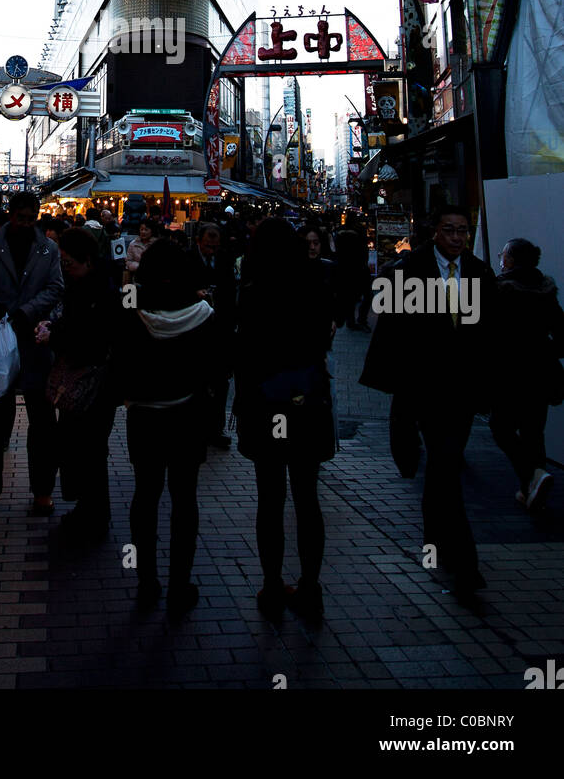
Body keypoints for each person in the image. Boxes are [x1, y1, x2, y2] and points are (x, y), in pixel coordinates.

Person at [360, 206, 497, 600]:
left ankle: (435, 539)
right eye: (449, 230)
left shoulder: (479, 272)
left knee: (443, 466)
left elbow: (490, 333)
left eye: (463, 231)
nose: (456, 238)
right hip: (424, 390)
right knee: (445, 465)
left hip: (462, 392)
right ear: (434, 232)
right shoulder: (409, 271)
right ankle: (464, 562)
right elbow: (392, 336)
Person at [233, 218, 336, 623]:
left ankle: (272, 583)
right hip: (307, 403)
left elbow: (244, 353)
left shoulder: (254, 290)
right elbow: (321, 342)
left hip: (265, 406)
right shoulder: (314, 285)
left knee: (270, 498)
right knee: (307, 497)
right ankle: (310, 584)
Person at [114, 240, 216, 620]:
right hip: (188, 416)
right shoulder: (204, 312)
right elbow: (217, 366)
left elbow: (117, 350)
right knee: (184, 500)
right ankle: (179, 584)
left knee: (145, 495)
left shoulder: (129, 304)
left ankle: (146, 581)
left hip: (144, 415)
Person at [0, 191, 62, 518]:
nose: (25, 223)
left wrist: (28, 312)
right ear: (10, 215)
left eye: (31, 218)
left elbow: (55, 287)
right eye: (20, 217)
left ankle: (43, 491)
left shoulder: (48, 249)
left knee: (43, 421)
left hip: (35, 342)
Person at [39, 228, 119, 544]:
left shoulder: (102, 291)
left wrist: (55, 335)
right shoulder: (83, 284)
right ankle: (89, 511)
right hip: (86, 387)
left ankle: (93, 516)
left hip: (93, 387)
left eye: (69, 262)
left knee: (89, 451)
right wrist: (55, 327)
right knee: (86, 452)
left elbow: (92, 340)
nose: (65, 268)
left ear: (87, 260)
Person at [490, 238, 564, 510]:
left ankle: (531, 477)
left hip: (509, 372)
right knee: (534, 431)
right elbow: (562, 334)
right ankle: (532, 486)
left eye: (503, 254)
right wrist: (543, 351)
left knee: (501, 427)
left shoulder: (500, 291)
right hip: (541, 372)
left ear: (509, 260)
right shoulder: (545, 291)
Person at [185, 223, 237, 448]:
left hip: (220, 330)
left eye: (215, 247)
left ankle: (216, 429)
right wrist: (193, 292)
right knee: (195, 381)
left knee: (220, 383)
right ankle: (195, 427)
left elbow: (232, 290)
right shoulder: (187, 259)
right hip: (194, 330)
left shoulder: (225, 259)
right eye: (208, 246)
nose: (211, 251)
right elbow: (179, 285)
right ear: (198, 241)